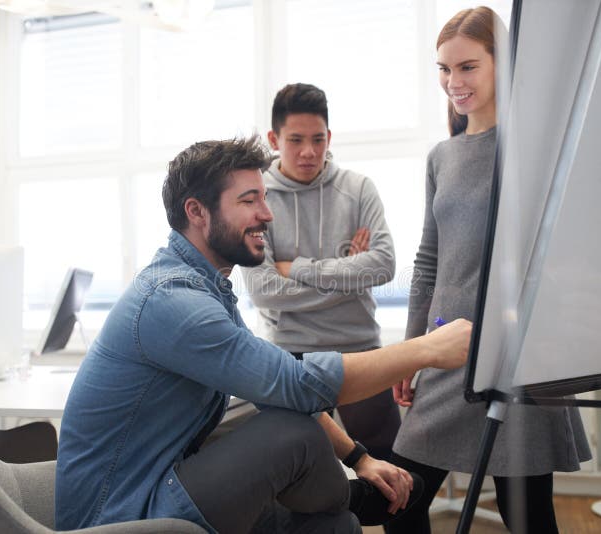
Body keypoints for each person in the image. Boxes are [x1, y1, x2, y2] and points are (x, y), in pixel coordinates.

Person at [55, 136, 472, 534]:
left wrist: (360, 458)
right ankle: (353, 498)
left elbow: (272, 387)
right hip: (123, 515)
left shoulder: (206, 290)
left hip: (163, 485)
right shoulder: (171, 301)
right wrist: (427, 349)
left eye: (264, 197)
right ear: (197, 212)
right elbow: (297, 384)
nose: (266, 214)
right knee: (294, 435)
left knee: (333, 526)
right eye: (249, 200)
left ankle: (350, 503)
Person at [385, 7, 591, 534]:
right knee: (398, 501)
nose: (453, 83)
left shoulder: (537, 149)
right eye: (444, 69)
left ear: (504, 63)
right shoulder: (441, 157)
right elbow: (428, 262)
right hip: (445, 353)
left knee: (526, 517)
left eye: (468, 67)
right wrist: (409, 352)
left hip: (514, 360)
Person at [242, 82, 402, 461]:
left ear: (329, 136)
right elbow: (263, 289)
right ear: (274, 139)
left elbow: (383, 264)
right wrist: (349, 275)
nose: (309, 151)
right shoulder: (256, 198)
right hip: (290, 356)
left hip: (358, 347)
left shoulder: (358, 189)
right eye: (296, 139)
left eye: (318, 139)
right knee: (303, 479)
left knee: (396, 473)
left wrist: (296, 268)